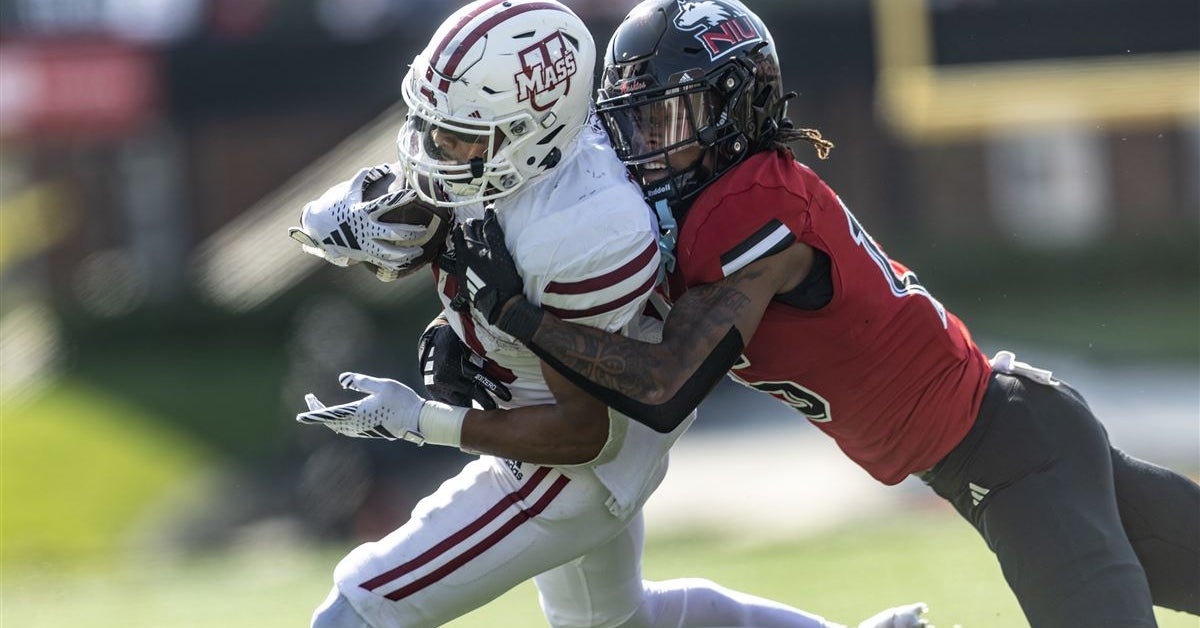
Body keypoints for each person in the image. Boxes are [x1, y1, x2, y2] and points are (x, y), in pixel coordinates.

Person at [446, 1, 1200, 627]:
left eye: (674, 120)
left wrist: (516, 314)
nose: (651, 149)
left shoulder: (749, 205)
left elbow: (666, 381)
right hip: (1008, 445)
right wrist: (473, 333)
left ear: (739, 106)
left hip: (1016, 456)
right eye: (638, 124)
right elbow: (619, 328)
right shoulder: (697, 216)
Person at [288, 1, 933, 627]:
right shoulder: (532, 162)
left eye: (457, 137)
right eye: (429, 126)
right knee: (623, 620)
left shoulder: (585, 231)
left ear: (528, 134)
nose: (432, 150)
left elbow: (584, 432)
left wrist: (421, 422)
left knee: (356, 611)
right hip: (576, 436)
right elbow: (463, 217)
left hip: (569, 471)